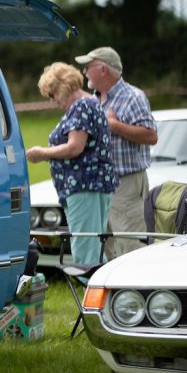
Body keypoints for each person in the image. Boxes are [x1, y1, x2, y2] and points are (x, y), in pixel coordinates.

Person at [26, 62, 118, 266]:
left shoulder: (81, 106)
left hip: (84, 187)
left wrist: (43, 153)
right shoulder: (91, 103)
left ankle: (90, 287)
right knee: (94, 249)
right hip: (93, 187)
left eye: (52, 95)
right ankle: (100, 287)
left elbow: (75, 147)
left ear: (63, 86)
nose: (53, 101)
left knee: (85, 254)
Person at [75, 46, 157, 257]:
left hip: (125, 185)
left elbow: (151, 136)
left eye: (88, 67)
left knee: (131, 248)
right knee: (105, 250)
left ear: (103, 69)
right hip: (99, 187)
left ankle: (138, 281)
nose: (84, 72)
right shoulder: (92, 101)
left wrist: (115, 125)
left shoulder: (133, 97)